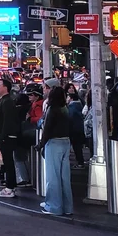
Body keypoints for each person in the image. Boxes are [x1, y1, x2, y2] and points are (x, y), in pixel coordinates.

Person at [39, 86, 73, 216]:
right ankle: (67, 206)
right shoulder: (65, 109)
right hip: (65, 142)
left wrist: (41, 144)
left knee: (52, 176)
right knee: (64, 176)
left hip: (54, 143)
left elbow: (47, 129)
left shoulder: (52, 110)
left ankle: (53, 206)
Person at [0, 77, 21, 198]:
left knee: (8, 163)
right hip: (5, 135)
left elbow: (8, 121)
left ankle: (9, 188)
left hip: (7, 136)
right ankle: (10, 187)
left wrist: (2, 136)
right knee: (7, 162)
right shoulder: (4, 100)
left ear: (5, 88)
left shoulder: (7, 102)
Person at [67, 92, 87, 168]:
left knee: (76, 148)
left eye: (68, 97)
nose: (67, 99)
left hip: (74, 130)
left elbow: (70, 118)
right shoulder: (79, 105)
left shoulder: (72, 107)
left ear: (71, 99)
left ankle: (80, 163)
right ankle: (80, 162)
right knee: (78, 147)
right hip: (80, 129)